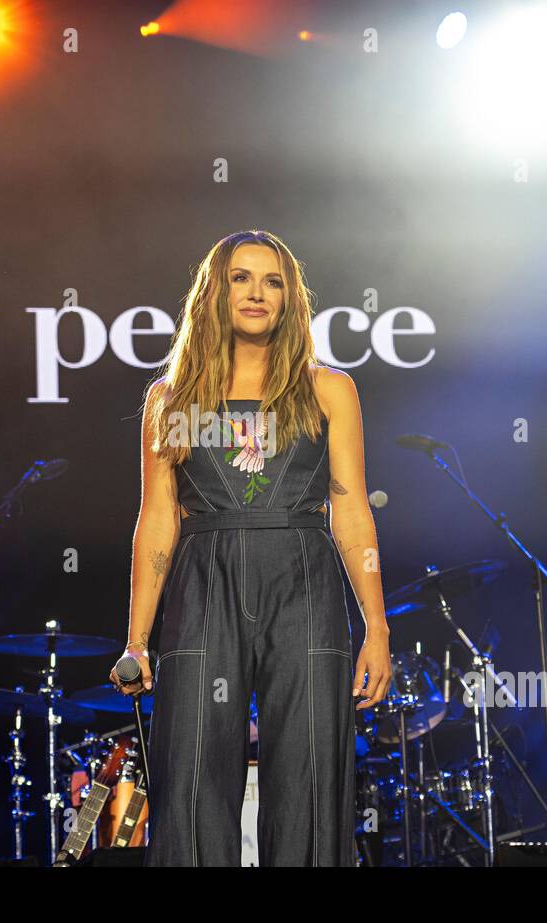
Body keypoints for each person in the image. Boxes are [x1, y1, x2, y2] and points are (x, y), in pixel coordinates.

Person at [109, 229, 392, 866]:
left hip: (305, 579)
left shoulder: (328, 390)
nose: (257, 293)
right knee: (192, 774)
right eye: (241, 278)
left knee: (312, 773)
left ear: (290, 299)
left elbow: (350, 512)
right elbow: (158, 519)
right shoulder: (171, 399)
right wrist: (137, 639)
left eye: (273, 281)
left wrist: (376, 626)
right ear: (216, 291)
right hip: (203, 583)